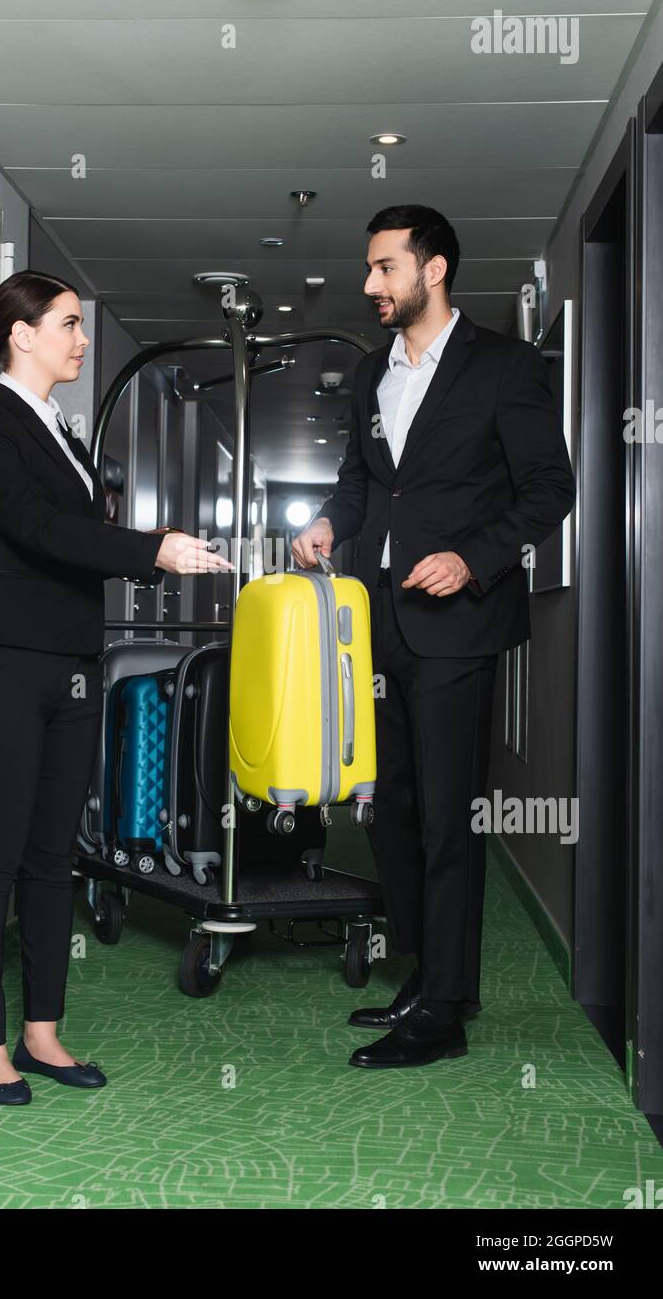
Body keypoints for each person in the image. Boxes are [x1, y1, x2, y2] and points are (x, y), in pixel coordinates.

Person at [292, 206, 575, 1070]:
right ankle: (424, 975)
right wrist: (328, 527)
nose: (370, 285)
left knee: (449, 820)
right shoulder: (371, 374)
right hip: (377, 623)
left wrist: (474, 559)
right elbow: (363, 483)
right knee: (392, 811)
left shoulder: (505, 367)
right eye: (369, 269)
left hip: (457, 625)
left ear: (434, 269)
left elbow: (547, 488)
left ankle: (445, 1009)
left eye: (384, 269)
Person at [0, 269, 231, 1104]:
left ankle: (43, 1035)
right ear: (21, 334)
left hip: (70, 662)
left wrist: (151, 543)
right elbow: (38, 531)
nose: (81, 339)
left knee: (50, 856)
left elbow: (78, 531)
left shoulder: (60, 430)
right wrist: (153, 550)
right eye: (67, 324)